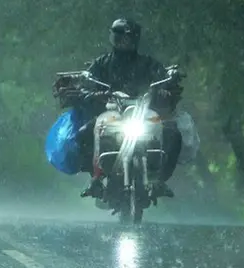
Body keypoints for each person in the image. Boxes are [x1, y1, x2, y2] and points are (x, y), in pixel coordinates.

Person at [65, 18, 183, 200]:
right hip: (112, 113)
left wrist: (165, 88)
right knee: (83, 134)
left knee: (173, 134)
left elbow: (163, 79)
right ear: (113, 38)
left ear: (136, 39)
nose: (124, 42)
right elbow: (87, 84)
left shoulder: (148, 63)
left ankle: (160, 180)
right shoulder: (102, 63)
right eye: (121, 38)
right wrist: (93, 93)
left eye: (128, 38)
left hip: (143, 113)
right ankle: (95, 179)